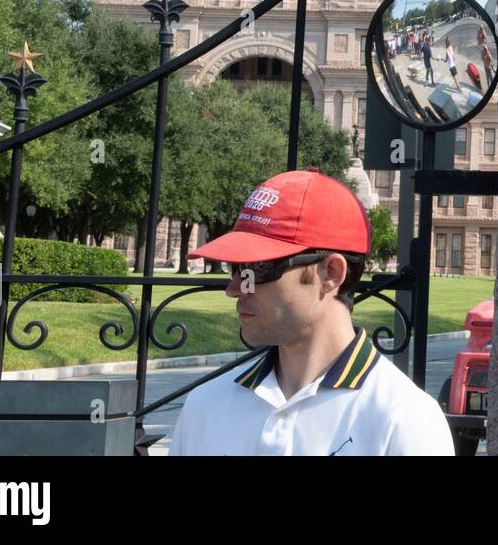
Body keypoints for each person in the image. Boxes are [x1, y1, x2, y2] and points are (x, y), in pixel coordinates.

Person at [170, 169, 455, 456]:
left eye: (256, 269)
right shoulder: (204, 407)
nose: (235, 288)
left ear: (331, 272)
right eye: (235, 269)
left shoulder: (404, 420)